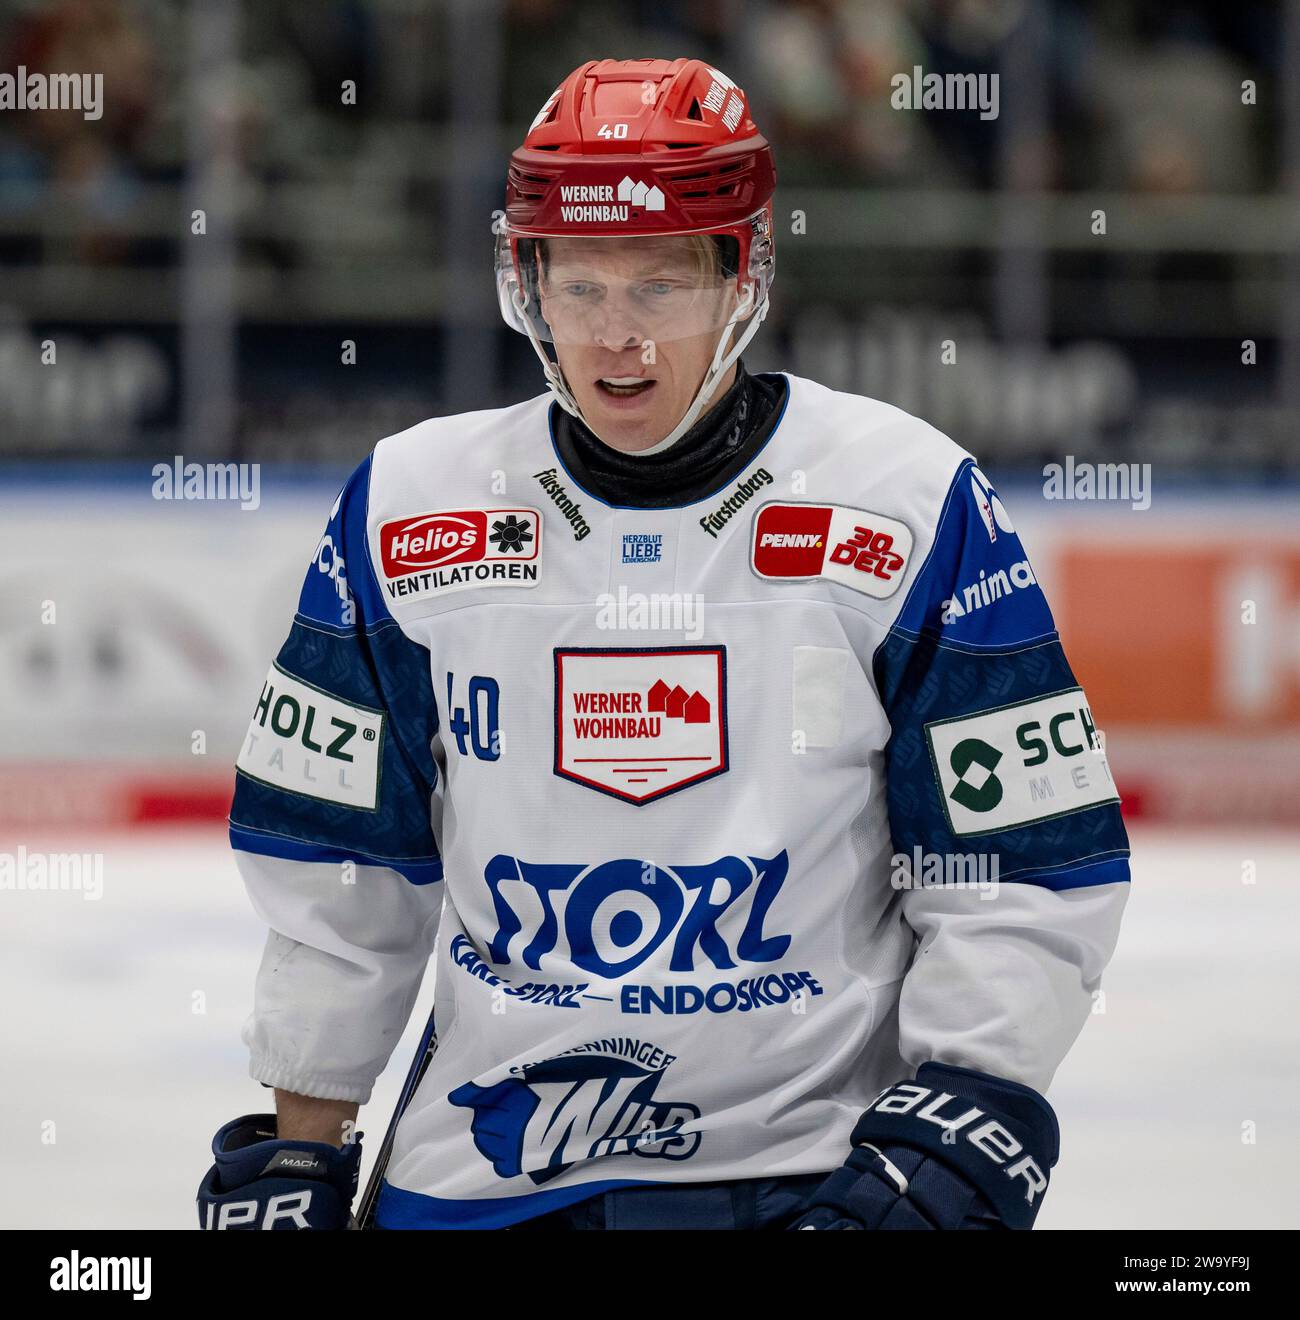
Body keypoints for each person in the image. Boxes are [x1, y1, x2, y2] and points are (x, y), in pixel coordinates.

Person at [198, 56, 1129, 1232]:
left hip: (811, 1170)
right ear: (525, 279)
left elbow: (1019, 857)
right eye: (578, 286)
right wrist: (300, 1151)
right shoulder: (409, 501)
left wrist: (958, 1124)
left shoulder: (904, 498)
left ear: (744, 275)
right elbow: (340, 866)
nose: (615, 339)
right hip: (483, 1176)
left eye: (659, 286)